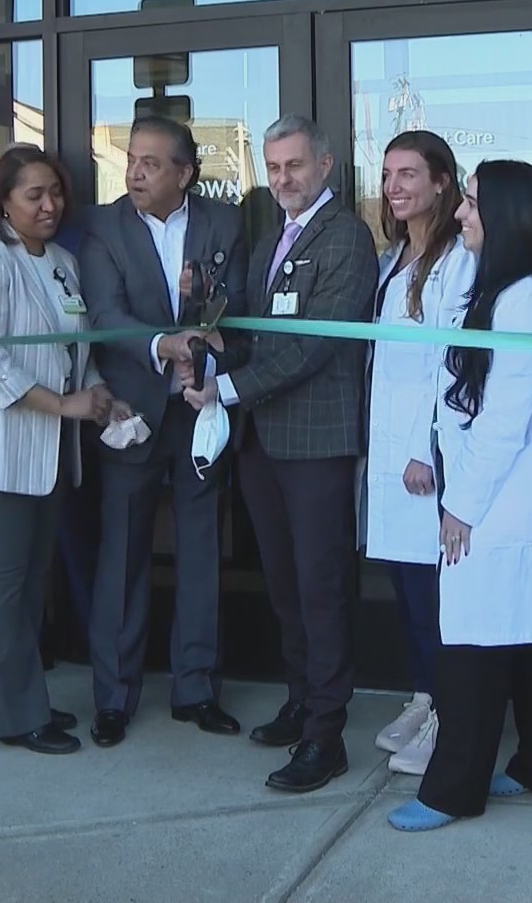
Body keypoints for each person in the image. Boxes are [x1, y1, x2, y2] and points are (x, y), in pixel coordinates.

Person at [384, 159, 532, 832]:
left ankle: (451, 790)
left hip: (507, 492)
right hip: (492, 484)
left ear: (506, 216)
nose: (462, 215)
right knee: (531, 635)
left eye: (471, 204)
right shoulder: (490, 284)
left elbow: (508, 415)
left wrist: (460, 505)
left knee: (471, 645)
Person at [183, 114, 377, 794]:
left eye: (295, 165)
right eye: (273, 167)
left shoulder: (348, 237)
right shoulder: (270, 239)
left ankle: (327, 733)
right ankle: (301, 700)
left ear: (325, 166)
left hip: (317, 443)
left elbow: (316, 344)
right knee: (286, 584)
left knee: (321, 587)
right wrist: (211, 356)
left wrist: (226, 388)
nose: (283, 178)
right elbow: (259, 339)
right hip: (264, 441)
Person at [0, 146, 130, 756]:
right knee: (4, 584)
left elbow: (79, 345)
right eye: (33, 196)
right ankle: (12, 715)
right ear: (4, 201)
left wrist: (98, 390)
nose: (49, 205)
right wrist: (64, 405)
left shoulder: (65, 262)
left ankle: (27, 699)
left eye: (55, 193)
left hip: (46, 453)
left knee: (29, 581)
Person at [77, 114, 249, 747]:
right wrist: (162, 344)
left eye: (152, 161)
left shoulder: (223, 222)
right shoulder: (103, 226)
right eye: (132, 159)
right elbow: (105, 314)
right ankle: (114, 697)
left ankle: (196, 689)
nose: (137, 171)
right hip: (134, 411)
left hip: (202, 408)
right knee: (121, 554)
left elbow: (238, 300)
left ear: (186, 171)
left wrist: (207, 326)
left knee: (202, 550)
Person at [362, 130, 477, 775]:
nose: (395, 187)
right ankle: (424, 695)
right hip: (386, 454)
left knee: (433, 591)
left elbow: (444, 362)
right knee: (406, 587)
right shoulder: (394, 259)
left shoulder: (456, 258)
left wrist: (420, 448)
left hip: (421, 456)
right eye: (387, 174)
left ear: (441, 182)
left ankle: (448, 716)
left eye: (409, 174)